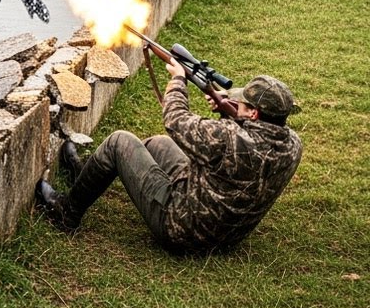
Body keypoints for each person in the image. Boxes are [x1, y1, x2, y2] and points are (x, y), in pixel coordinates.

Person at [35, 61, 303, 253]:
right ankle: (87, 177)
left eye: (242, 104)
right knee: (158, 144)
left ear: (254, 114)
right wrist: (228, 110)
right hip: (227, 233)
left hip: (180, 227)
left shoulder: (229, 137)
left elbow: (176, 120)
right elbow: (245, 149)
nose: (237, 104)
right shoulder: (292, 145)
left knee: (119, 142)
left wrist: (178, 80)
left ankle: (66, 212)